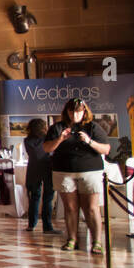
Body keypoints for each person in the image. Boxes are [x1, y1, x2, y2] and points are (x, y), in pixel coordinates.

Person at [44, 97, 112, 253]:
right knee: (70, 208)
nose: (75, 115)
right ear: (67, 112)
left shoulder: (93, 127)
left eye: (78, 111)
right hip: (64, 171)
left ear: (84, 112)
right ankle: (72, 239)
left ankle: (97, 242)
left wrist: (89, 142)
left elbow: (106, 149)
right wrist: (60, 139)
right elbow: (47, 148)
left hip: (89, 171)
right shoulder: (57, 128)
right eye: (72, 111)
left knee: (91, 208)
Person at [23, 118, 56, 233]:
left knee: (34, 198)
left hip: (33, 169)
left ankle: (31, 224)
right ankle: (47, 226)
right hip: (47, 168)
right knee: (48, 198)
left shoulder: (27, 140)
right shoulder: (47, 139)